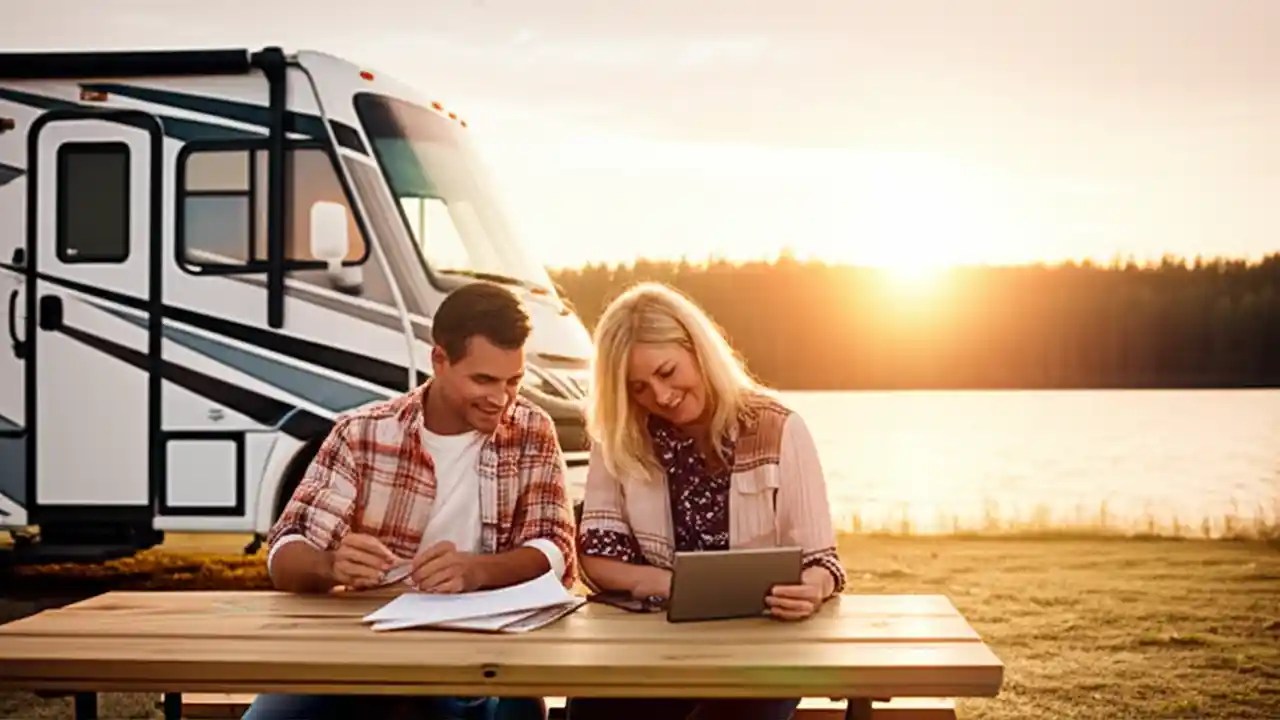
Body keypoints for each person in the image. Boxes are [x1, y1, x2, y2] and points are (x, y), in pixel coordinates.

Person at [243, 282, 577, 720]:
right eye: (483, 380)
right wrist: (329, 565)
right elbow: (285, 550)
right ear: (438, 360)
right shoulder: (363, 432)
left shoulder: (532, 430)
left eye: (513, 381)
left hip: (483, 651)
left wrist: (477, 571)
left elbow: (556, 549)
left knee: (511, 709)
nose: (501, 399)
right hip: (362, 648)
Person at [566, 282, 847, 720]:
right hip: (649, 641)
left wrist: (811, 590)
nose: (660, 396)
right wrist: (669, 585)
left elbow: (822, 561)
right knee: (592, 710)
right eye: (638, 388)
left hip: (759, 644)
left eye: (667, 372)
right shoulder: (620, 436)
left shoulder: (779, 429)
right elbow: (598, 557)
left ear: (697, 349)